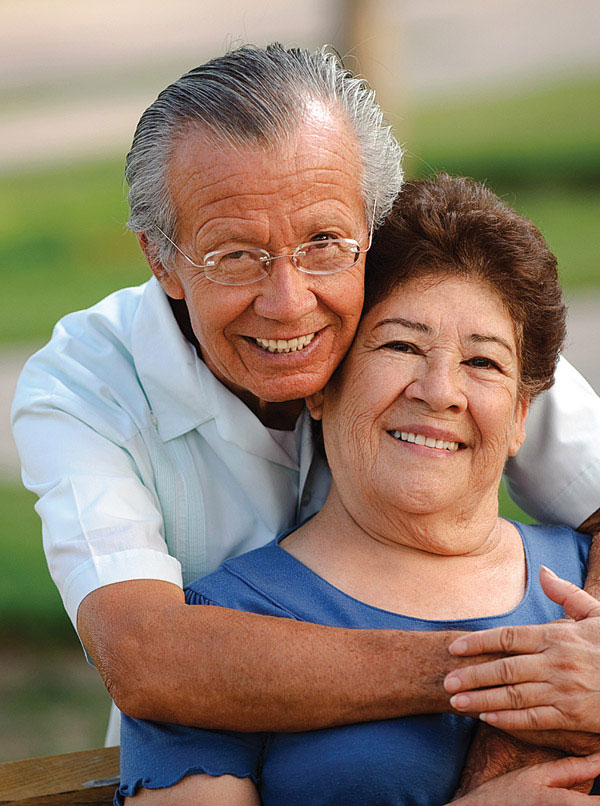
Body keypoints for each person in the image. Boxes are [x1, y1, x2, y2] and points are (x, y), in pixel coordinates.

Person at [10, 44, 600, 764]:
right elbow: (145, 655)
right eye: (234, 254)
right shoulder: (85, 385)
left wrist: (527, 739)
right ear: (160, 258)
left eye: (323, 241)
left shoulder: (422, 310)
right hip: (204, 756)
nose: (289, 305)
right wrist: (514, 678)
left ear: (371, 227)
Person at [115, 175, 600, 805]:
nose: (438, 390)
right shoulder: (219, 641)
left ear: (519, 419)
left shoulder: (587, 581)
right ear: (320, 385)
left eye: (483, 362)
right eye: (401, 345)